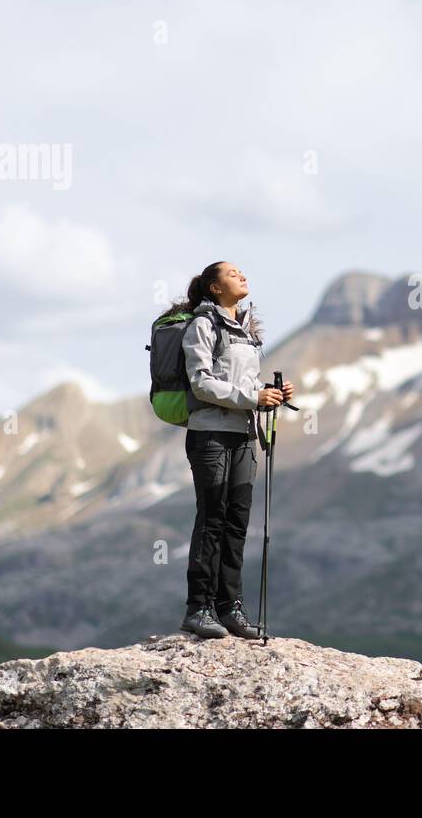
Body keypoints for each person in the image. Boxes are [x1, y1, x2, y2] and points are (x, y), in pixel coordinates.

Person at [159, 261, 294, 639]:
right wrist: (252, 396)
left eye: (243, 272)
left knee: (237, 522)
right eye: (232, 273)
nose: (242, 275)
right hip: (210, 435)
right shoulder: (204, 325)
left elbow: (239, 381)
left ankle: (229, 607)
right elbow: (201, 384)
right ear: (214, 288)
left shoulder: (246, 332)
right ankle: (198, 608)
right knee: (213, 518)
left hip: (243, 436)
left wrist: (270, 393)